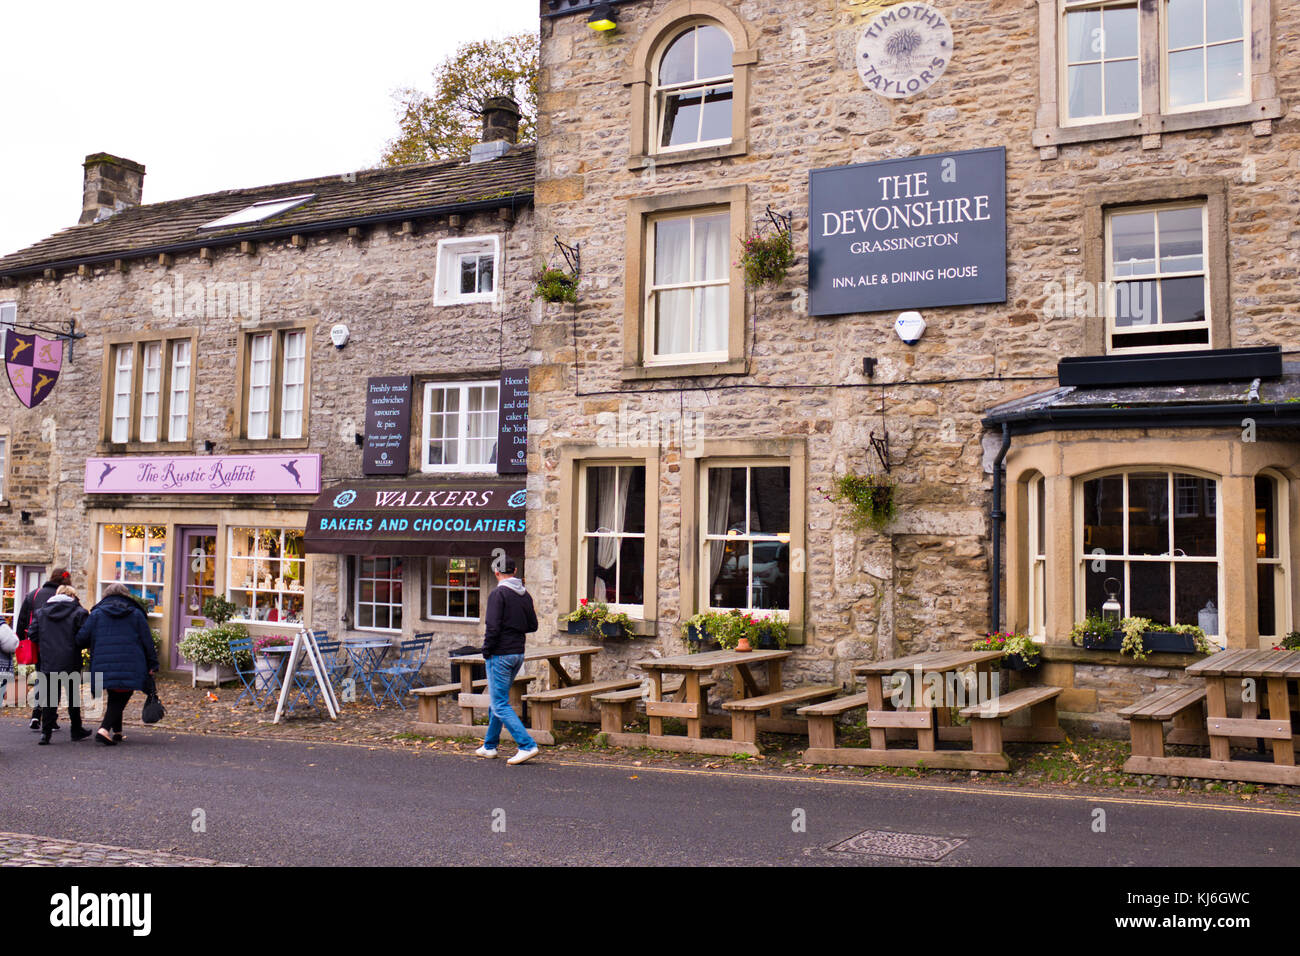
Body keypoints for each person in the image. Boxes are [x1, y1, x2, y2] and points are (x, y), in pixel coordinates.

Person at [475, 558, 540, 765]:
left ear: (496, 572)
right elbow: (533, 625)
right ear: (515, 571)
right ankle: (489, 745)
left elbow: (492, 627)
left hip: (500, 654)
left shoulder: (498, 593)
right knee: (498, 699)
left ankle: (526, 745)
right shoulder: (525, 594)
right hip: (517, 653)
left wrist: (486, 650)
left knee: (500, 703)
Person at [76, 583, 158, 746]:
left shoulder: (97, 614)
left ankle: (118, 731)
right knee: (122, 693)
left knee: (116, 692)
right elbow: (147, 641)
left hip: (103, 661)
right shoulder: (135, 613)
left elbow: (81, 638)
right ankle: (104, 729)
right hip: (131, 662)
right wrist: (153, 663)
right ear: (126, 595)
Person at [28, 585, 90, 744]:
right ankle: (76, 729)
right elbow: (85, 636)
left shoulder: (42, 612)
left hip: (49, 659)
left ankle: (46, 733)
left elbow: (33, 634)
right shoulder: (79, 612)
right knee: (72, 696)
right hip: (71, 659)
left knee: (50, 697)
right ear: (73, 596)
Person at [17, 568, 71, 730]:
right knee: (56, 680)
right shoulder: (67, 598)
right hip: (60, 645)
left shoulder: (33, 594)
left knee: (42, 678)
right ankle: (50, 718)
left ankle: (36, 714)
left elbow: (22, 621)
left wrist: (21, 642)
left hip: (38, 643)